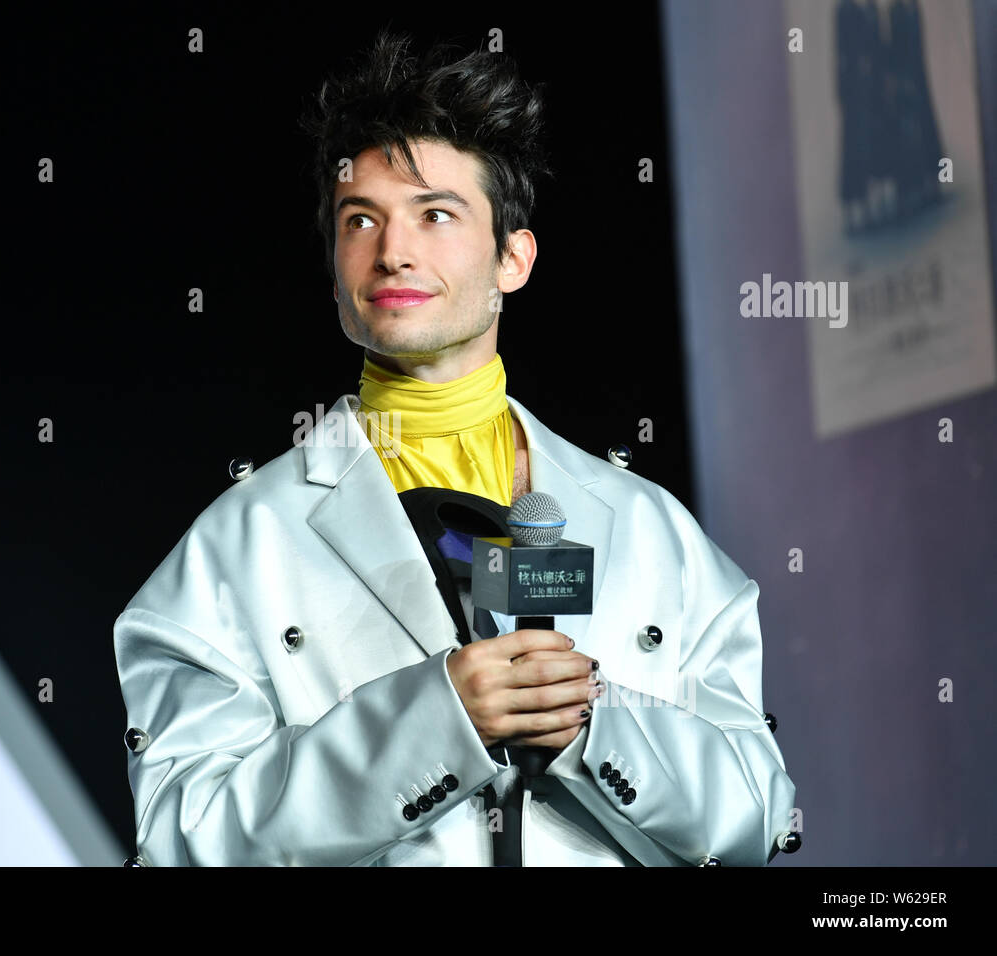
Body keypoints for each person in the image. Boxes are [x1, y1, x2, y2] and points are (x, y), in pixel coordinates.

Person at [113, 30, 798, 866]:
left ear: (514, 257)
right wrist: (437, 722)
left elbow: (762, 816)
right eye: (359, 219)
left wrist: (593, 727)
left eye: (436, 214)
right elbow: (179, 839)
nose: (392, 251)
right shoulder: (234, 552)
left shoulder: (655, 534)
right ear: (333, 268)